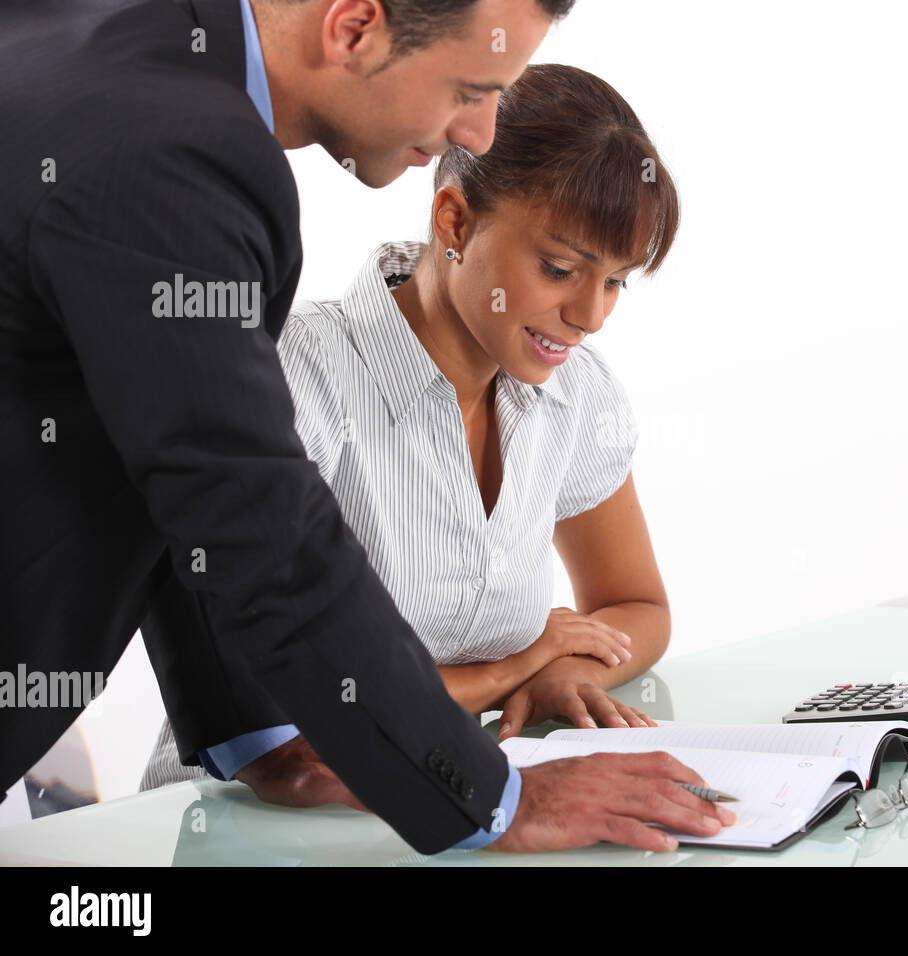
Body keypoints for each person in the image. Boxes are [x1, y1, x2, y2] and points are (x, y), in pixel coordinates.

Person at [0, 0, 732, 855]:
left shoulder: (92, 38)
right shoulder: (181, 152)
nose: (482, 131)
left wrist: (263, 743)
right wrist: (498, 802)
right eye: (471, 87)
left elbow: (183, 479)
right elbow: (255, 525)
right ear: (354, 28)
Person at [142, 62, 677, 793]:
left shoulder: (573, 394)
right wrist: (514, 667)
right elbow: (295, 711)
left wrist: (564, 673)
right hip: (250, 816)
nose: (591, 316)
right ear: (454, 221)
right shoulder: (293, 380)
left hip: (440, 800)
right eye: (559, 269)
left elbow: (638, 604)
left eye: (615, 280)